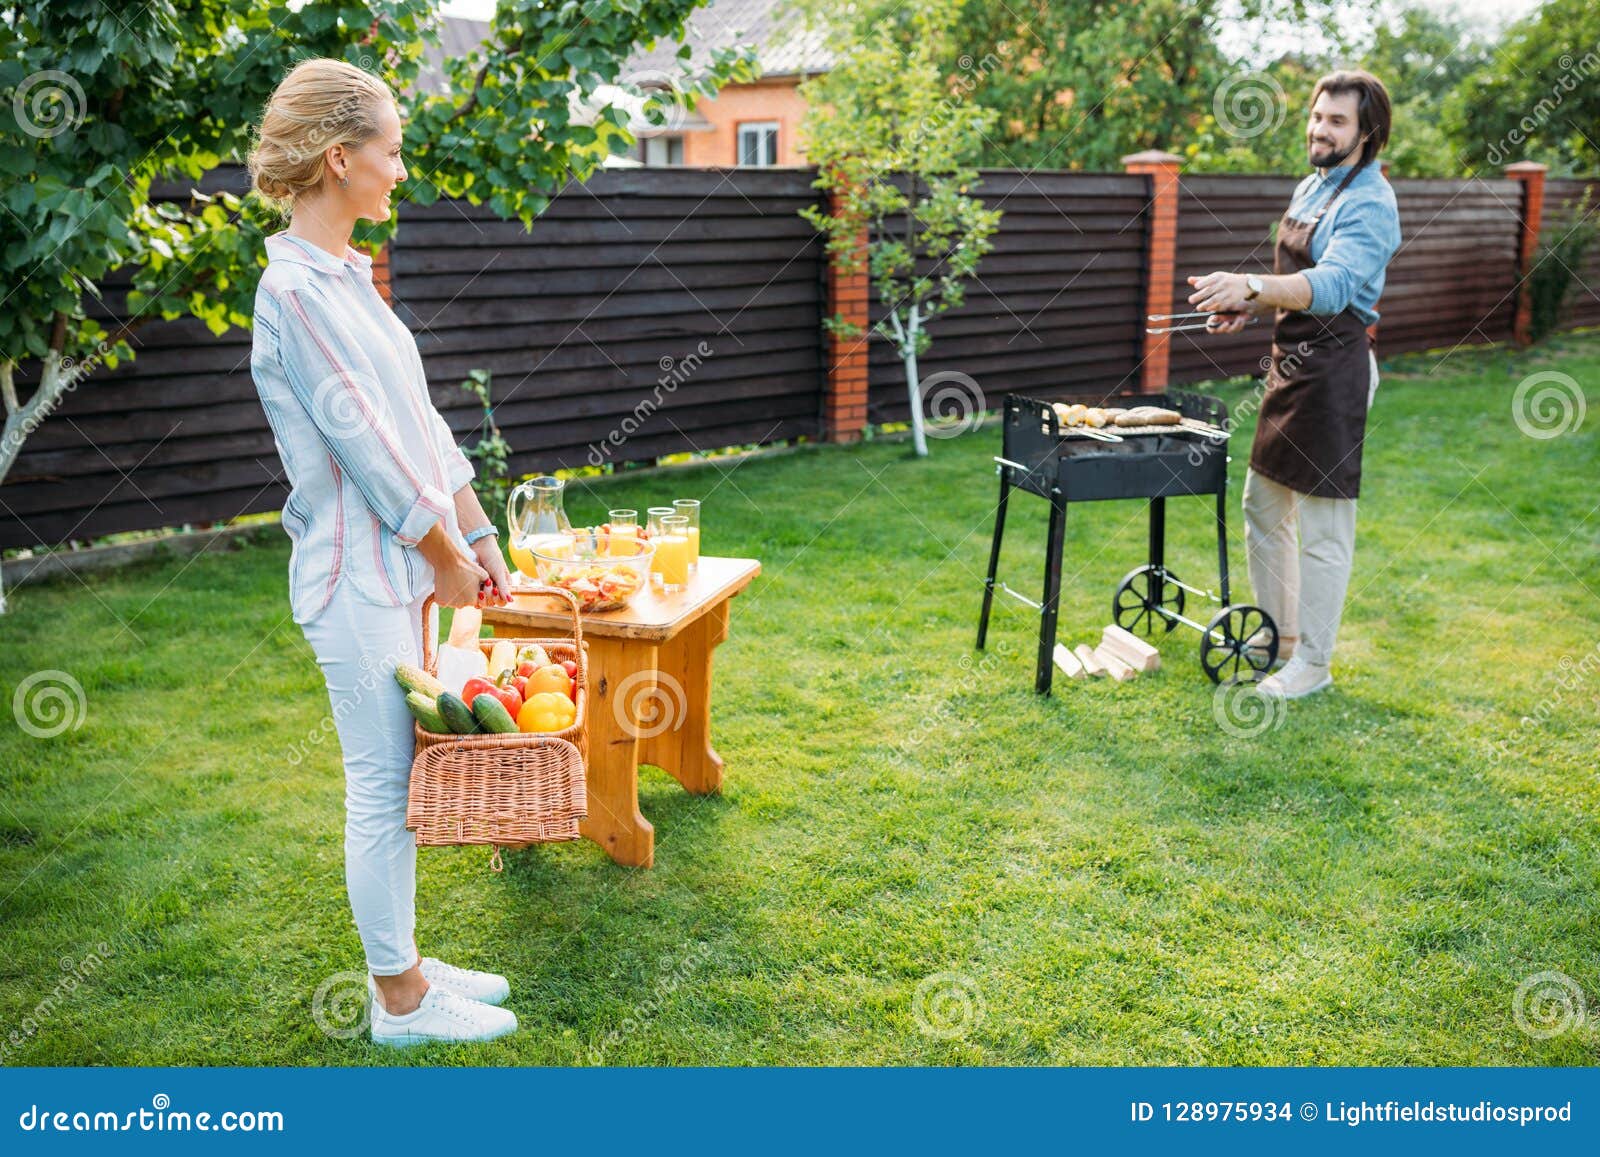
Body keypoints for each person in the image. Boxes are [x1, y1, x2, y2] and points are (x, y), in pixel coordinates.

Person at [247, 59, 520, 1046]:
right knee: (382, 782)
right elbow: (362, 445)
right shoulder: (297, 292)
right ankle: (397, 1000)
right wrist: (443, 549)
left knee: (402, 781)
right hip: (352, 579)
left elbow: (420, 425)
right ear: (340, 157)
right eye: (392, 152)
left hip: (400, 568)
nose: (400, 172)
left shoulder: (351, 282)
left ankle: (404, 957)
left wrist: (478, 534)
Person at [1187, 69, 1400, 699]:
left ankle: (1314, 662)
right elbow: (1292, 288)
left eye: (1337, 120)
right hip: (1292, 366)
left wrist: (1252, 286)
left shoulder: (1370, 202)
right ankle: (1277, 635)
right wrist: (1248, 307)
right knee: (1262, 502)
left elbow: (1332, 286)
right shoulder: (1312, 186)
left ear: (1368, 133)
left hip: (1336, 371)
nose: (1320, 128)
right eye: (1316, 115)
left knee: (1325, 526)